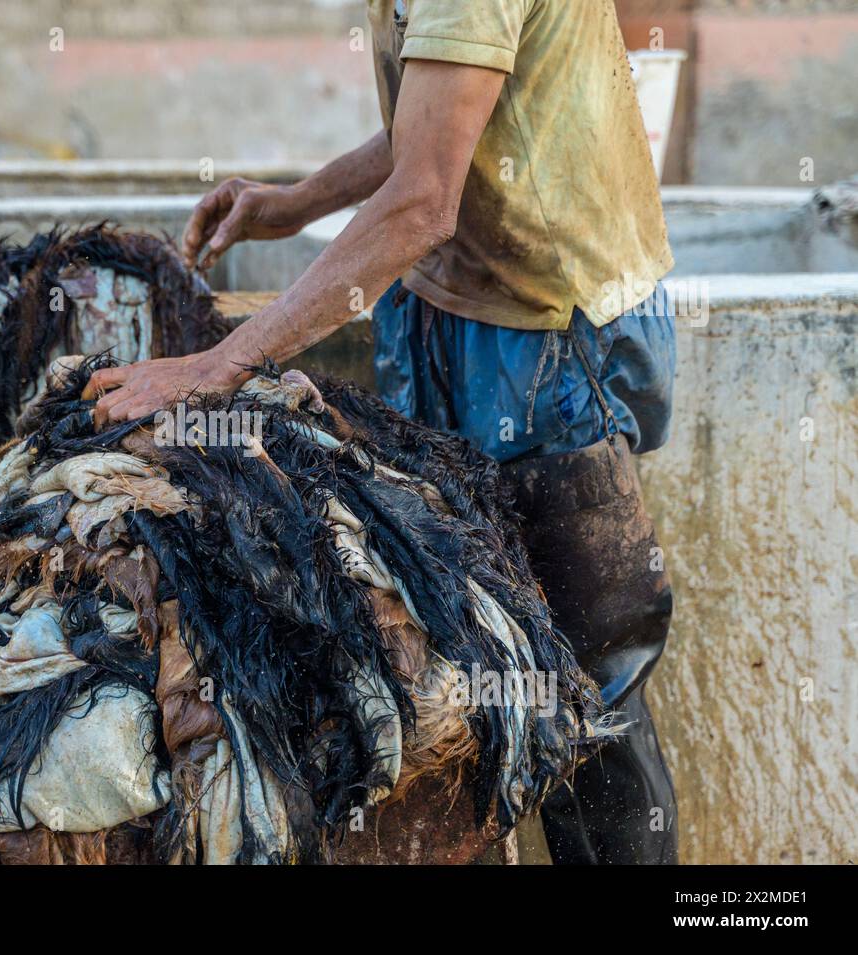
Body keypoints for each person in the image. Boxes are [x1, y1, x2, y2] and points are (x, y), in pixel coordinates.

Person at [83, 0, 679, 864]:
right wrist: (295, 202)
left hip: (549, 333)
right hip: (444, 314)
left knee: (587, 677)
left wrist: (221, 364)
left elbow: (426, 196)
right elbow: (429, 128)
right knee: (469, 661)